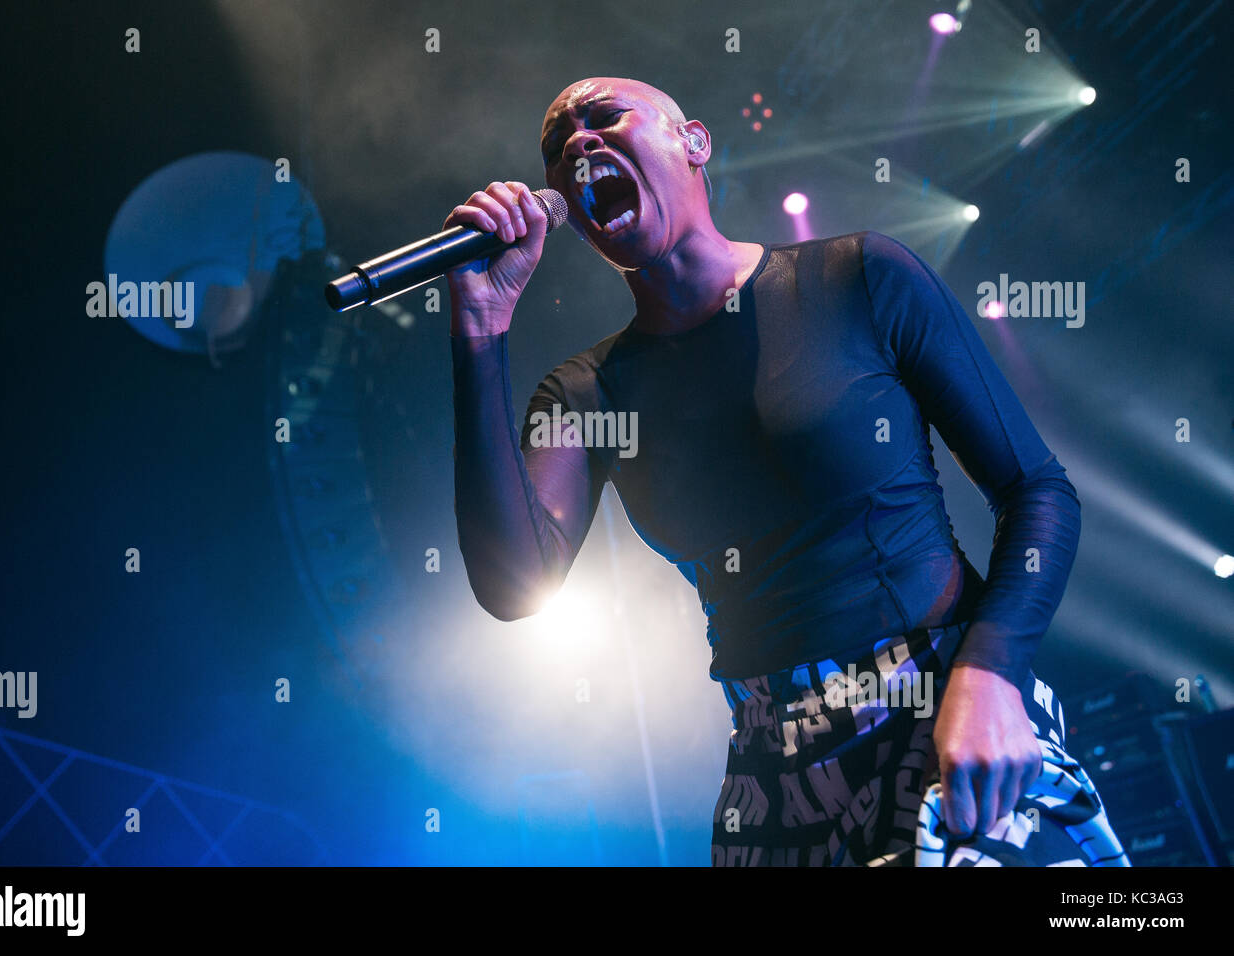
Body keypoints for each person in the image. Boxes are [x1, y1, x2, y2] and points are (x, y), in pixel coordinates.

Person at [444, 76, 1128, 866]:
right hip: (772, 762)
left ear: (693, 141)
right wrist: (480, 326)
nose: (577, 145)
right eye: (557, 146)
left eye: (604, 119)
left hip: (939, 696)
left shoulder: (857, 279)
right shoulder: (590, 391)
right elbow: (513, 585)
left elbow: (1035, 492)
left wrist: (991, 673)